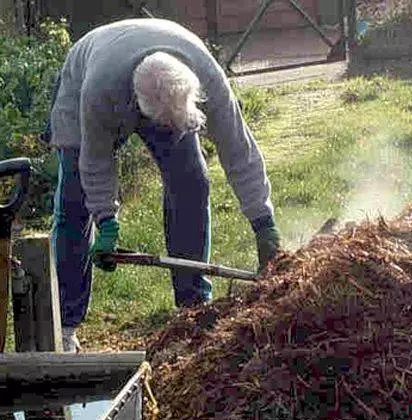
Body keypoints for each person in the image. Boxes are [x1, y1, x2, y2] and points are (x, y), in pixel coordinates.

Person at [42, 18, 281, 352]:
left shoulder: (207, 76)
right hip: (86, 73)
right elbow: (94, 162)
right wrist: (106, 222)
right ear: (140, 105)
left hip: (163, 78)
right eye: (162, 123)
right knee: (73, 202)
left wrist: (263, 223)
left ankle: (193, 308)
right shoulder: (99, 89)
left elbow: (240, 150)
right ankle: (65, 327)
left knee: (192, 184)